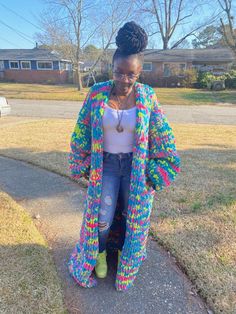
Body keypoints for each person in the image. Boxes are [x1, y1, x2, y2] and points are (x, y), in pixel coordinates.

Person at [67, 21, 181, 291]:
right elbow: (81, 131)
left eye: (131, 75)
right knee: (102, 216)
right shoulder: (96, 95)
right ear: (112, 68)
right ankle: (101, 254)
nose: (124, 80)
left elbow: (164, 136)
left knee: (134, 216)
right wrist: (81, 162)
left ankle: (127, 260)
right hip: (105, 166)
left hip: (135, 168)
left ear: (139, 73)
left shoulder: (147, 97)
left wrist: (157, 172)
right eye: (119, 73)